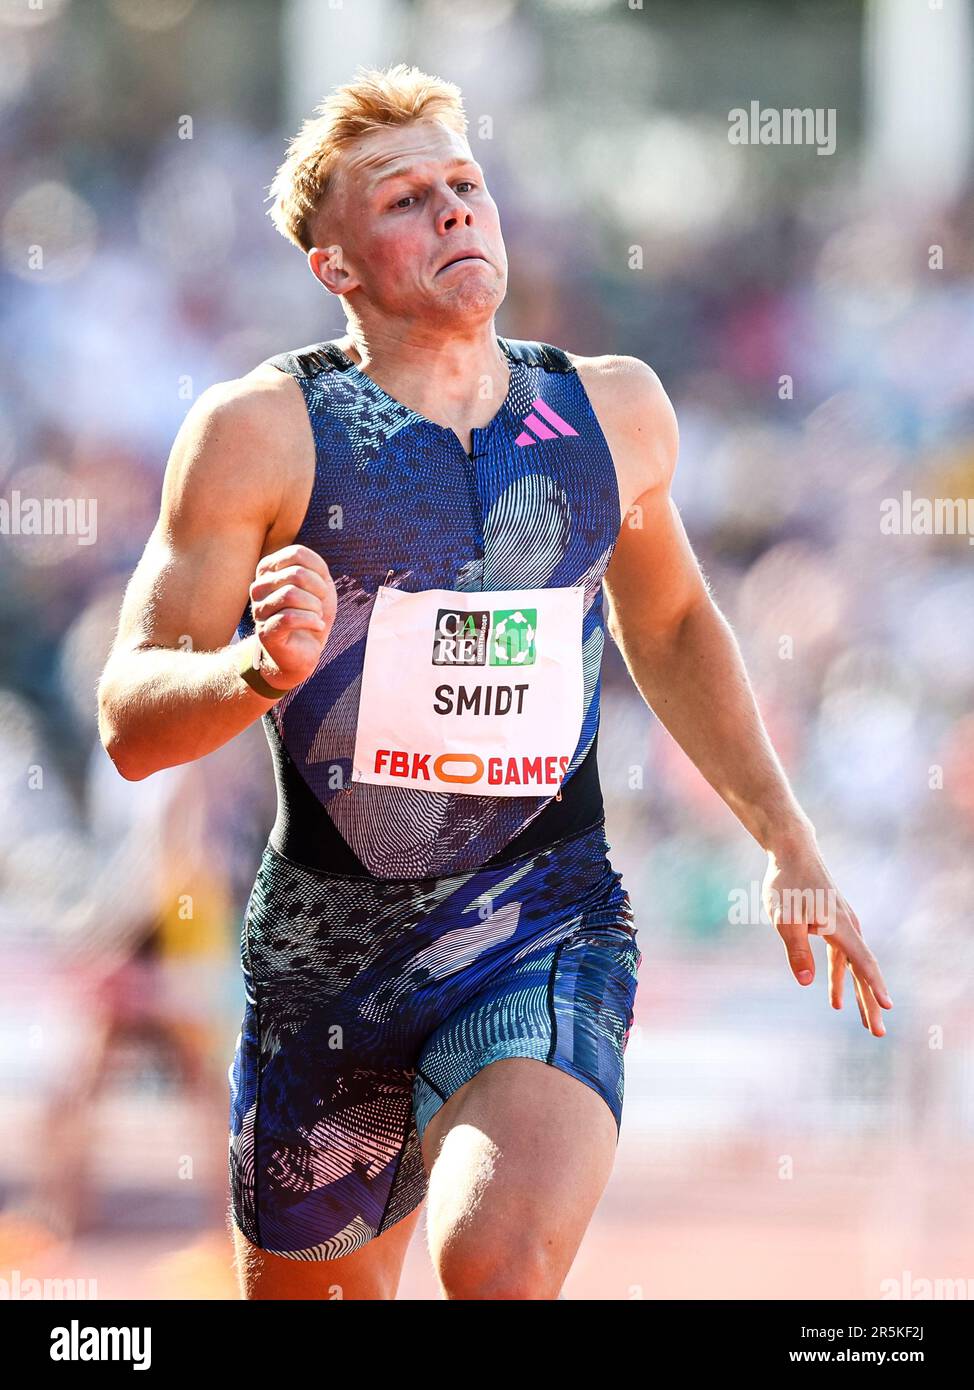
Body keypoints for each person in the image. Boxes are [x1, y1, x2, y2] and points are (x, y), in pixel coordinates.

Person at [96, 62, 892, 1301]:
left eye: (465, 185)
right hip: (328, 949)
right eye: (407, 199)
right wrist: (254, 667)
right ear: (336, 266)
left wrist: (785, 840)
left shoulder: (607, 414)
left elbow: (673, 620)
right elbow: (130, 726)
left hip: (542, 917)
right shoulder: (260, 435)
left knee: (497, 1264)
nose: (454, 210)